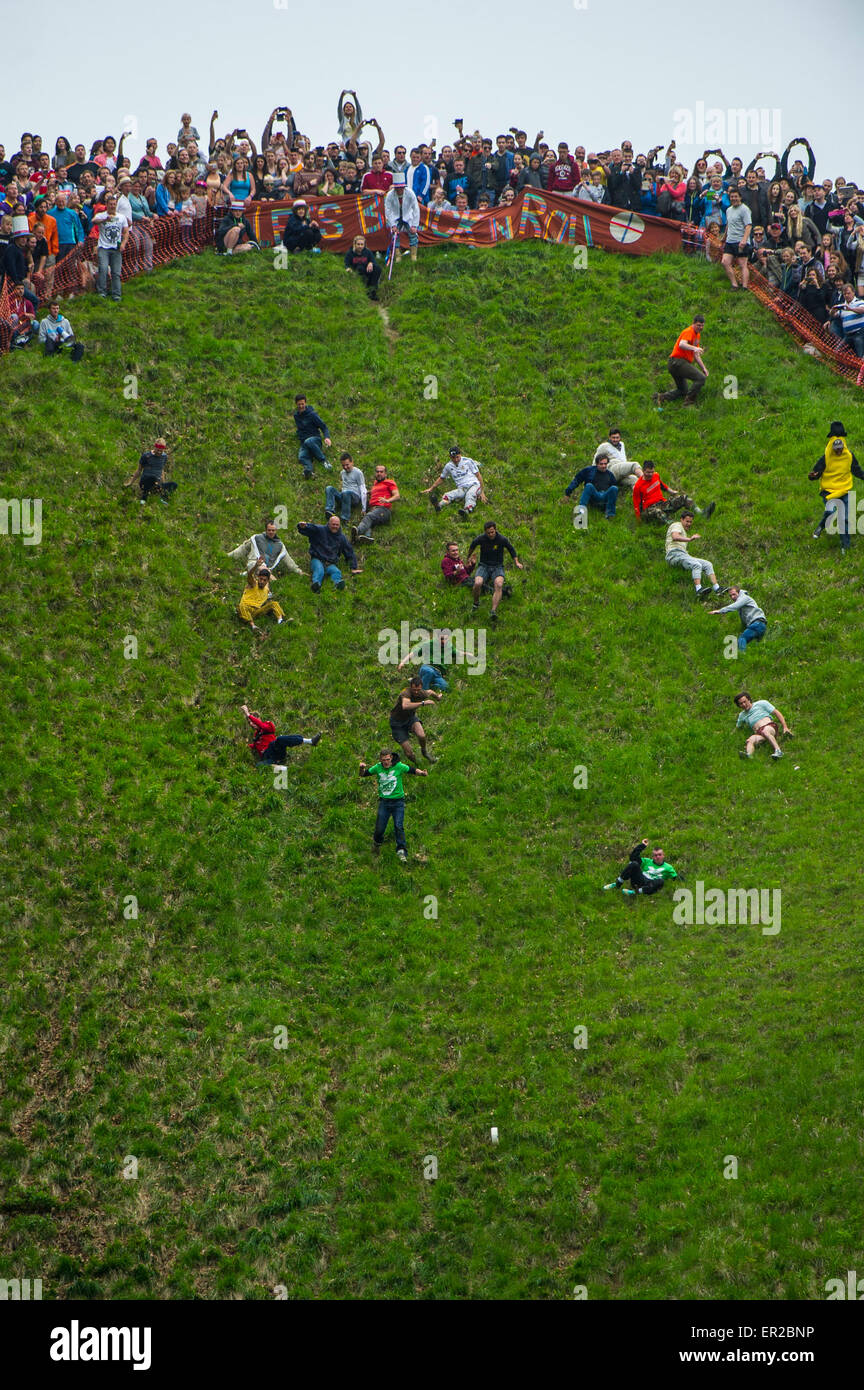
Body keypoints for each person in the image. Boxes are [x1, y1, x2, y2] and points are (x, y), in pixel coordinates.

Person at [359, 748, 428, 863]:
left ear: (391, 758)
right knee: (380, 828)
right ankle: (376, 845)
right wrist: (361, 768)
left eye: (387, 759)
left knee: (398, 826)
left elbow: (411, 770)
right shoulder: (377, 767)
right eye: (383, 760)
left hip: (398, 802)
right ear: (380, 760)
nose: (385, 762)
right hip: (384, 802)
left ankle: (401, 851)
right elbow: (363, 774)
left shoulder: (399, 766)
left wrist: (422, 773)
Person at [808, 421, 864, 554]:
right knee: (833, 511)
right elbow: (816, 472)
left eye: (840, 448)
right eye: (836, 448)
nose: (838, 451)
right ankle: (822, 526)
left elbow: (857, 471)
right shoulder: (826, 458)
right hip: (829, 491)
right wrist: (813, 476)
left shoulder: (849, 456)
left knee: (845, 518)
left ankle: (845, 547)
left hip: (844, 490)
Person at [467, 521, 523, 623]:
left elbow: (511, 550)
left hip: (497, 566)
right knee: (478, 582)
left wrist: (517, 562)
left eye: (492, 532)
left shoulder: (502, 539)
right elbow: (472, 545)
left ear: (495, 530)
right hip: (484, 565)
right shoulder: (481, 538)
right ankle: (476, 603)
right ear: (485, 532)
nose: (491, 534)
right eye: (488, 533)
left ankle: (493, 611)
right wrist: (468, 557)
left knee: (499, 584)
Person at [241, 704, 321, 770]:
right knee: (259, 765)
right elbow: (254, 746)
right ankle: (283, 768)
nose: (251, 724)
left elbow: (262, 726)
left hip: (275, 750)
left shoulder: (268, 725)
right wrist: (243, 747)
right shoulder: (256, 735)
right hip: (268, 757)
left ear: (258, 719)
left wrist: (248, 714)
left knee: (279, 739)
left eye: (252, 721)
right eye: (249, 722)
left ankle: (310, 741)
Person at [665, 511, 721, 598]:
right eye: (687, 521)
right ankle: (698, 589)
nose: (689, 524)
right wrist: (690, 539)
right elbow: (675, 537)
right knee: (696, 565)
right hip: (674, 554)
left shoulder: (683, 530)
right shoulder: (677, 525)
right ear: (681, 520)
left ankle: (717, 588)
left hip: (682, 555)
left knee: (707, 564)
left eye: (690, 522)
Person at [297, 515, 361, 592]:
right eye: (333, 524)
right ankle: (316, 584)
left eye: (337, 525)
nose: (335, 526)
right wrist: (304, 526)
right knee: (319, 570)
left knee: (336, 571)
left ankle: (337, 584)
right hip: (317, 559)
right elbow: (311, 528)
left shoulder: (341, 538)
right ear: (329, 524)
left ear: (339, 525)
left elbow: (349, 551)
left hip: (330, 563)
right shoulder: (320, 530)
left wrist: (353, 567)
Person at [632, 461, 713, 521]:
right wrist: (639, 520)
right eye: (648, 472)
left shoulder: (656, 476)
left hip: (661, 503)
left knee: (684, 498)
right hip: (649, 509)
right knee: (658, 512)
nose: (650, 474)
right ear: (643, 471)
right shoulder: (638, 486)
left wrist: (671, 491)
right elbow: (637, 505)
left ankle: (702, 514)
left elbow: (661, 484)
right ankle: (674, 527)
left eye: (652, 472)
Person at [388, 675, 441, 765]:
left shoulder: (422, 693)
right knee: (409, 753)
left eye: (418, 690)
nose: (416, 692)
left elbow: (430, 692)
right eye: (414, 690)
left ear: (421, 687)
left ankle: (425, 753)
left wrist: (438, 697)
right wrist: (423, 703)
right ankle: (417, 764)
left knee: (422, 735)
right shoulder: (406, 693)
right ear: (410, 687)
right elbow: (406, 706)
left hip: (410, 719)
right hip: (397, 723)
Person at [656, 313, 708, 405]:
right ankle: (689, 403)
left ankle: (660, 397)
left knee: (683, 390)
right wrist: (695, 348)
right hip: (677, 362)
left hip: (675, 364)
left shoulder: (697, 336)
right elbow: (682, 344)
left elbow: (696, 355)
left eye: (702, 326)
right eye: (698, 325)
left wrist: (703, 368)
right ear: (693, 324)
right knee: (700, 378)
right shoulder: (689, 331)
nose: (700, 327)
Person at [422, 445, 487, 518]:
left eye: (457, 457)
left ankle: (467, 510)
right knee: (451, 494)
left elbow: (478, 475)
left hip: (474, 485)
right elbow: (442, 478)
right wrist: (431, 488)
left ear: (460, 455)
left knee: (470, 495)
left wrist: (482, 492)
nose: (456, 460)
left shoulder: (468, 461)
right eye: (453, 457)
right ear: (450, 457)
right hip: (462, 487)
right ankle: (439, 505)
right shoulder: (448, 466)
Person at [603, 838, 680, 896]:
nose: (657, 857)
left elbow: (676, 877)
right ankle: (617, 884)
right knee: (634, 864)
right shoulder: (647, 861)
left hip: (650, 884)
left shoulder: (668, 867)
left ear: (663, 855)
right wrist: (642, 845)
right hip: (640, 880)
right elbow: (633, 857)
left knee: (661, 881)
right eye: (655, 855)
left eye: (659, 854)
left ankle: (634, 893)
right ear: (652, 857)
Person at [227, 519, 304, 576]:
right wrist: (229, 556)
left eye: (273, 530)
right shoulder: (257, 539)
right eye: (269, 530)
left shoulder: (279, 545)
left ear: (276, 531)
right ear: (266, 530)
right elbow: (243, 548)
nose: (271, 532)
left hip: (267, 569)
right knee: (265, 572)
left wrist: (298, 571)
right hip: (254, 564)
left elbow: (288, 560)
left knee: (266, 573)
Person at [92, 193, 130, 301]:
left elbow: (126, 231)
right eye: (110, 204)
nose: (112, 206)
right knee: (103, 269)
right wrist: (105, 220)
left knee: (116, 272)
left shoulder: (121, 217)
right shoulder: (101, 215)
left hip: (116, 247)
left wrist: (123, 244)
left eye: (114, 204)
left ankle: (116, 294)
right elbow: (93, 221)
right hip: (103, 247)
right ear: (107, 205)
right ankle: (102, 292)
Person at [733, 692, 792, 760]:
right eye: (741, 703)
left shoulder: (761, 703)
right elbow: (738, 727)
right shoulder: (742, 715)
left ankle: (778, 751)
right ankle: (749, 755)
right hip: (759, 732)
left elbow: (776, 712)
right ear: (739, 705)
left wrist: (785, 727)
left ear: (749, 700)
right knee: (750, 740)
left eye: (745, 701)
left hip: (770, 727)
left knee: (765, 731)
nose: (744, 704)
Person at [708, 586, 767, 651]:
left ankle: (741, 657)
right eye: (730, 596)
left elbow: (734, 606)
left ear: (739, 593)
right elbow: (744, 621)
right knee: (754, 645)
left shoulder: (744, 598)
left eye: (734, 594)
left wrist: (720, 611)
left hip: (757, 623)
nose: (732, 597)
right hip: (759, 625)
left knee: (742, 638)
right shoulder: (742, 605)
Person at [238, 562, 286, 638]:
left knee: (274, 603)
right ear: (258, 577)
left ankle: (280, 620)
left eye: (264, 580)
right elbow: (250, 575)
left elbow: (267, 582)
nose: (262, 581)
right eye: (261, 579)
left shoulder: (266, 589)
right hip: (246, 609)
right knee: (241, 606)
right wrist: (256, 566)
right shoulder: (253, 584)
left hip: (257, 611)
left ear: (267, 581)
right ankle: (253, 626)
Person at [353, 464, 399, 542]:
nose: (379, 473)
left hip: (383, 510)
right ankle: (366, 537)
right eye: (377, 472)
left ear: (385, 474)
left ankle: (357, 531)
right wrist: (368, 492)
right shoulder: (375, 484)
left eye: (381, 472)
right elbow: (376, 492)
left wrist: (387, 500)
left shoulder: (389, 482)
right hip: (373, 510)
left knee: (369, 517)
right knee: (369, 519)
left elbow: (397, 495)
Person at [124, 437, 177, 504]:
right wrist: (130, 482)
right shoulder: (146, 456)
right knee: (152, 478)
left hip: (157, 483)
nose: (159, 452)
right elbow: (139, 470)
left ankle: (163, 498)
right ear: (155, 447)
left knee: (174, 485)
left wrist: (162, 483)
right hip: (145, 481)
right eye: (158, 450)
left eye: (161, 451)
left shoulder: (164, 457)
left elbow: (161, 469)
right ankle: (144, 498)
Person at [565, 455, 618, 520]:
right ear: (596, 464)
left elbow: (614, 490)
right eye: (601, 464)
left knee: (614, 488)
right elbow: (577, 480)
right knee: (589, 486)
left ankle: (610, 514)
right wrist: (568, 492)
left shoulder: (610, 475)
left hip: (604, 497)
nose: (604, 466)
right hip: (594, 496)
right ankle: (581, 512)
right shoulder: (589, 471)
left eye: (605, 464)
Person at [293, 394, 332, 478]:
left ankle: (324, 461)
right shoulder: (296, 416)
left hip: (315, 440)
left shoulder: (312, 415)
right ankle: (309, 470)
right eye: (299, 404)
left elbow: (323, 426)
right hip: (304, 442)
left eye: (302, 404)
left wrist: (327, 437)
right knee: (301, 457)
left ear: (305, 403)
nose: (301, 406)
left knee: (309, 441)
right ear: (296, 404)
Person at [384, 173, 420, 264]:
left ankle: (413, 255)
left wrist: (415, 225)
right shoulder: (390, 195)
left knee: (413, 234)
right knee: (395, 235)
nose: (400, 190)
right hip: (395, 217)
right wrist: (392, 225)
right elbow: (388, 211)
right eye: (397, 188)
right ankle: (397, 255)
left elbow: (416, 209)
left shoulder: (410, 193)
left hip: (408, 216)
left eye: (401, 187)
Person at [326, 452, 366, 524]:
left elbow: (363, 489)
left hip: (354, 497)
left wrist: (364, 507)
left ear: (352, 462)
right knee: (329, 488)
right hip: (344, 496)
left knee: (346, 493)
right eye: (343, 465)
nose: (345, 467)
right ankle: (330, 511)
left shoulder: (358, 473)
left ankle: (345, 518)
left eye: (347, 465)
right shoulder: (342, 473)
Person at [344, 233, 381, 298]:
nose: (360, 246)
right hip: (356, 270)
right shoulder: (350, 253)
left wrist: (371, 263)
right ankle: (363, 289)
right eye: (358, 244)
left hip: (367, 270)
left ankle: (372, 290)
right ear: (354, 244)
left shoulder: (368, 252)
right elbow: (346, 264)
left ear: (364, 245)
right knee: (359, 268)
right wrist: (348, 268)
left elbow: (374, 261)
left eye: (362, 244)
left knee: (377, 269)